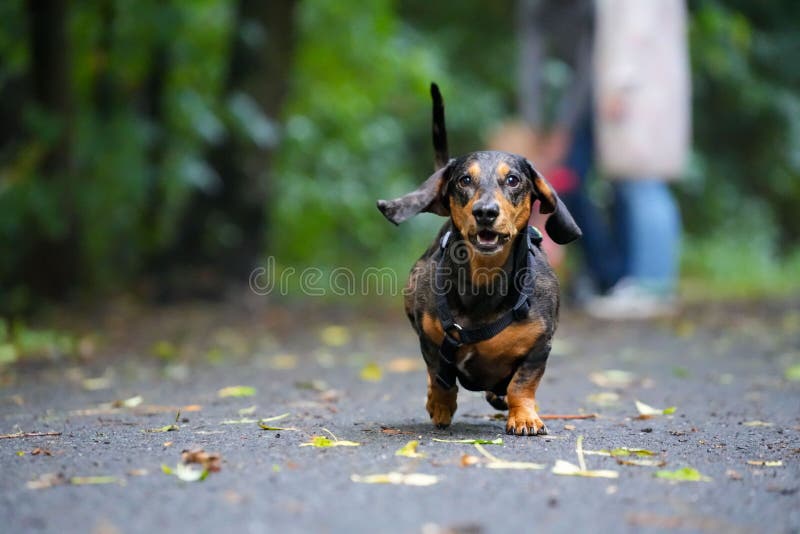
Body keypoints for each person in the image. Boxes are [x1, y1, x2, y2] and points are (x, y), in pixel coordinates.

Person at [510, 0, 689, 319]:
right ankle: (624, 279)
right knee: (629, 186)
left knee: (640, 184)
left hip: (628, 95)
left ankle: (648, 284)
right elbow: (533, 55)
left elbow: (628, 38)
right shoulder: (541, 10)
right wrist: (536, 122)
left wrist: (614, 87)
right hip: (627, 94)